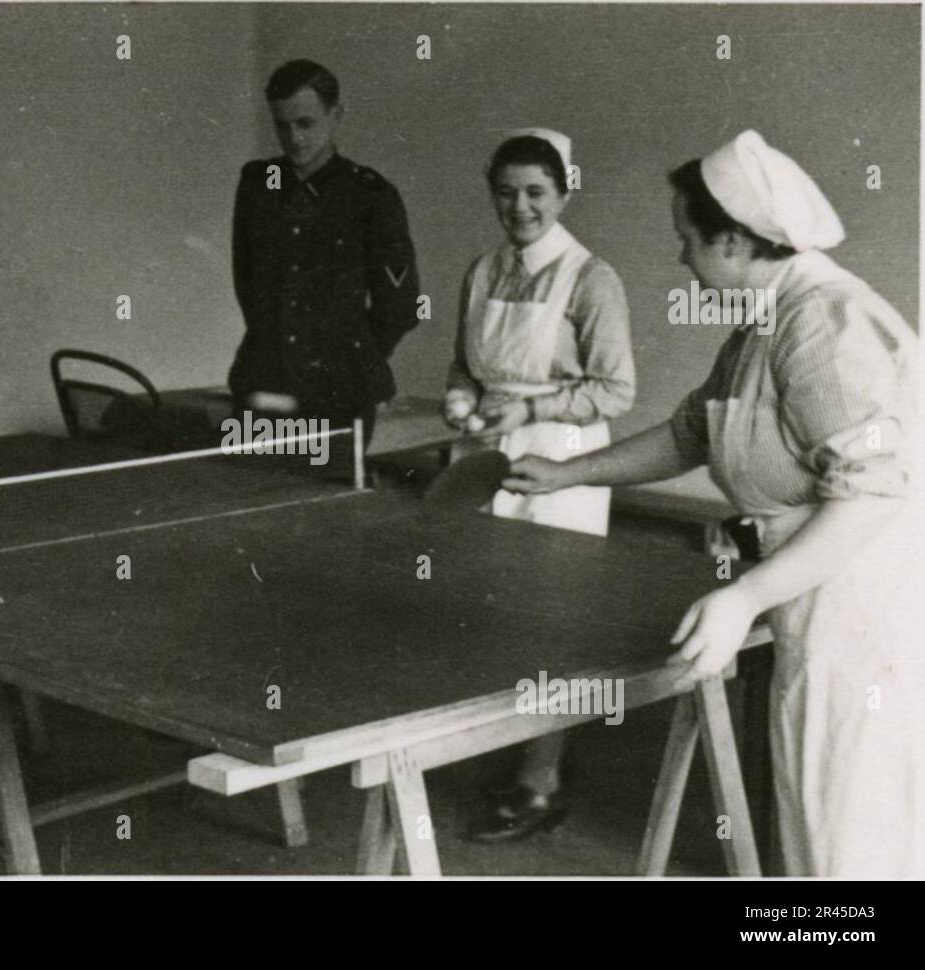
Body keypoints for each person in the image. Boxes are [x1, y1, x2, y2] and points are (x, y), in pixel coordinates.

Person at [505, 130, 921, 877]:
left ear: (732, 241)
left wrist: (744, 599)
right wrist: (571, 474)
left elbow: (871, 496)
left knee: (849, 827)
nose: (681, 260)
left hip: (867, 608)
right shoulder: (765, 320)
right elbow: (696, 431)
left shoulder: (820, 325)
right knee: (813, 816)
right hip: (818, 599)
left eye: (686, 241)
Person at [448, 130, 635, 841]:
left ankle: (540, 781)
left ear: (563, 192)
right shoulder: (481, 270)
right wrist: (462, 402)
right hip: (486, 450)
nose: (519, 207)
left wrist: (533, 408)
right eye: (505, 191)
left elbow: (616, 391)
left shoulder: (592, 278)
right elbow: (463, 365)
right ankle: (508, 753)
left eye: (535, 192)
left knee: (551, 618)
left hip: (563, 462)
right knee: (489, 608)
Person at [229, 59, 420, 447]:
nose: (293, 138)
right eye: (282, 125)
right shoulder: (258, 184)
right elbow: (247, 282)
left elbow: (400, 305)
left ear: (336, 115)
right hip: (264, 381)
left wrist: (349, 357)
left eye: (306, 124)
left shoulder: (370, 195)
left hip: (340, 392)